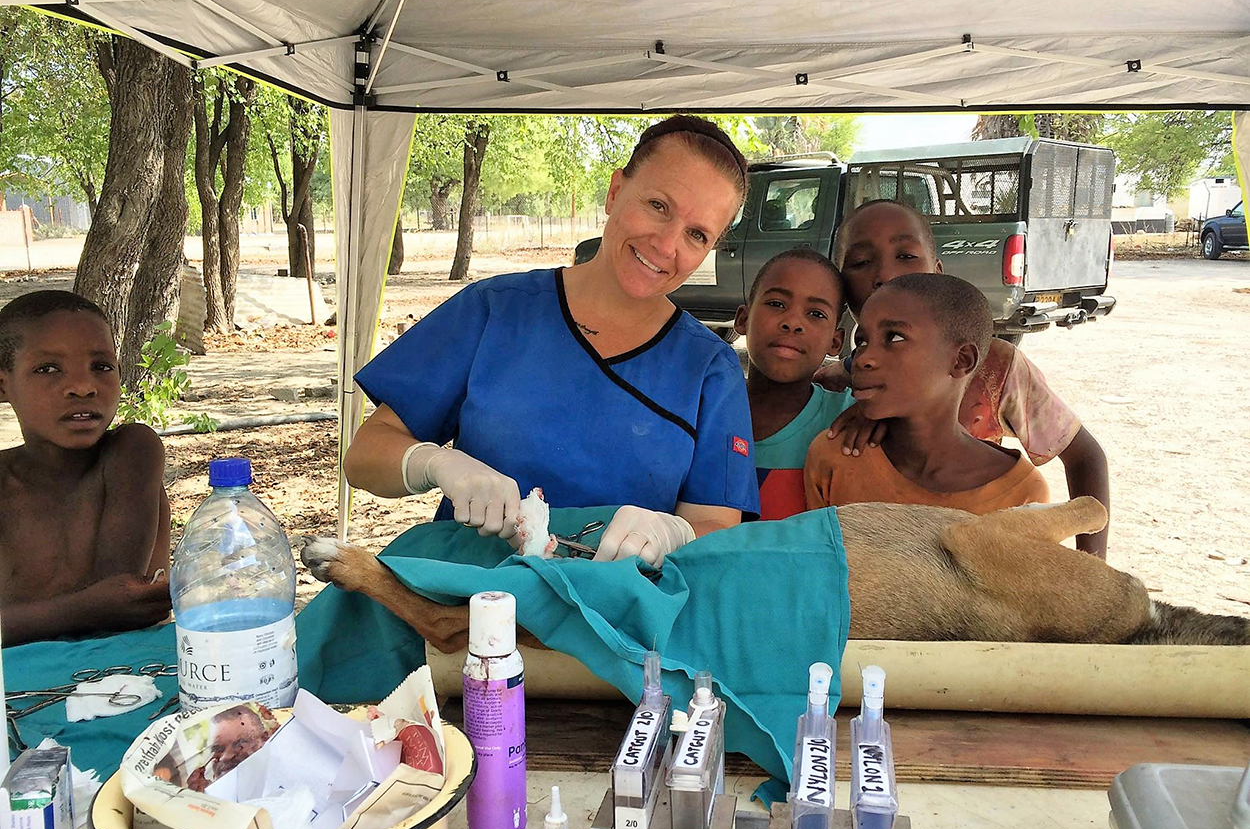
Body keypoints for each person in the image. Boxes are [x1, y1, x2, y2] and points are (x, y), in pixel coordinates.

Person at [346, 116, 759, 567]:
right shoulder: (494, 312)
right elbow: (365, 455)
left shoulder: (708, 369)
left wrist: (671, 532)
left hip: (617, 619)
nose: (666, 244)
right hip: (463, 610)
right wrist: (433, 464)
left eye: (697, 234)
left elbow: (717, 524)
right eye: (658, 205)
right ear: (616, 191)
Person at [818, 199, 1111, 556]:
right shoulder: (849, 380)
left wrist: (1095, 567)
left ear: (938, 270)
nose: (884, 274)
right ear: (843, 289)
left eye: (906, 255)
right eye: (861, 263)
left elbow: (1084, 456)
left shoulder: (998, 366)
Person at [0, 291, 172, 645]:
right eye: (48, 369)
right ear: (3, 384)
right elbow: (106, 605)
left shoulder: (132, 452)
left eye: (101, 366)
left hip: (125, 680)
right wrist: (85, 609)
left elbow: (118, 601)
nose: (82, 387)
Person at [806, 273, 1050, 513]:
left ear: (961, 361)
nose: (863, 359)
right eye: (861, 342)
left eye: (894, 337)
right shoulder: (834, 459)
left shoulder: (1021, 494)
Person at [731, 248, 850, 520]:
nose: (793, 323)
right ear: (743, 319)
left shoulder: (848, 422)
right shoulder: (703, 408)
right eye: (776, 304)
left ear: (836, 341)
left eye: (816, 314)